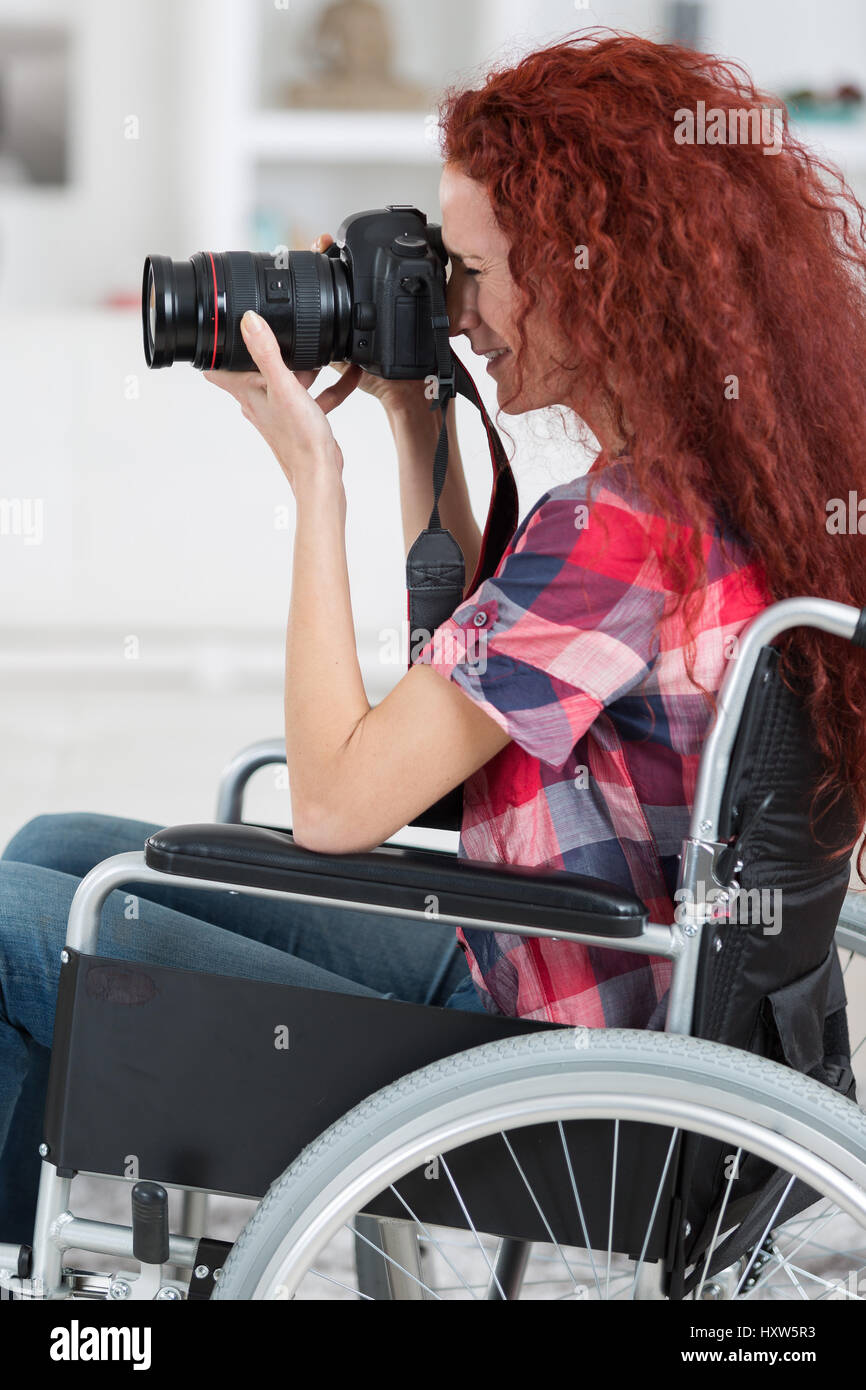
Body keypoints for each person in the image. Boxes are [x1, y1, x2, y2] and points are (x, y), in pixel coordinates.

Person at [3, 30, 866, 1246]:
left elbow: (339, 805)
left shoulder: (617, 532)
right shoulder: (712, 488)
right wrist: (416, 430)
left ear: (593, 271)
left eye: (471, 272)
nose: (453, 313)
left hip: (543, 1078)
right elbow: (462, 681)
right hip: (571, 995)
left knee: (20, 917)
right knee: (57, 844)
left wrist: (315, 480)